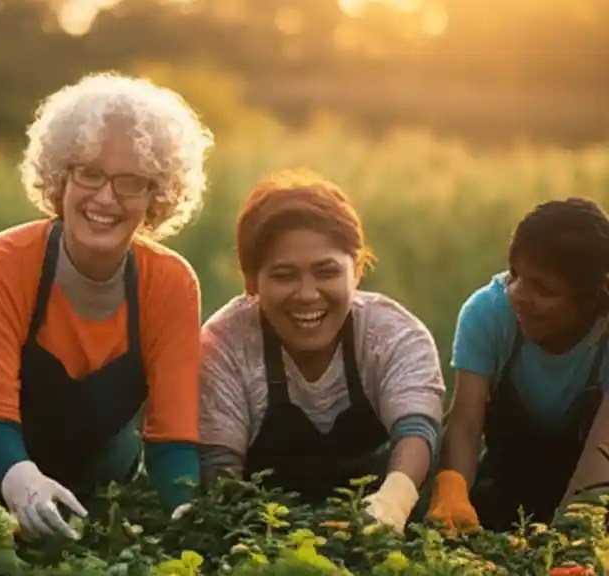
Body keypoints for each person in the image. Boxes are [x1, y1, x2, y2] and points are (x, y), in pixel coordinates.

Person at [0, 72, 214, 539]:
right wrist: (21, 481)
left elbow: (172, 433)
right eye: (89, 173)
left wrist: (186, 514)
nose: (105, 198)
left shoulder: (171, 283)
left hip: (103, 500)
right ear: (60, 177)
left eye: (131, 182)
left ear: (157, 196)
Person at [197, 171, 445, 535]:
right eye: (284, 275)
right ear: (251, 281)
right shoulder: (224, 345)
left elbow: (418, 428)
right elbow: (220, 467)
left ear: (357, 269)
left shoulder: (394, 335)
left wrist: (394, 501)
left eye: (326, 272)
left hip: (384, 532)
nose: (308, 294)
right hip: (263, 530)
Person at [428, 198, 609, 533]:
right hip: (508, 474)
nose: (518, 294)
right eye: (515, 274)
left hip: (595, 475)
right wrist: (454, 492)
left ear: (595, 300)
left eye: (543, 288)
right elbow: (466, 425)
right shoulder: (488, 312)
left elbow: (603, 450)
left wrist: (571, 539)